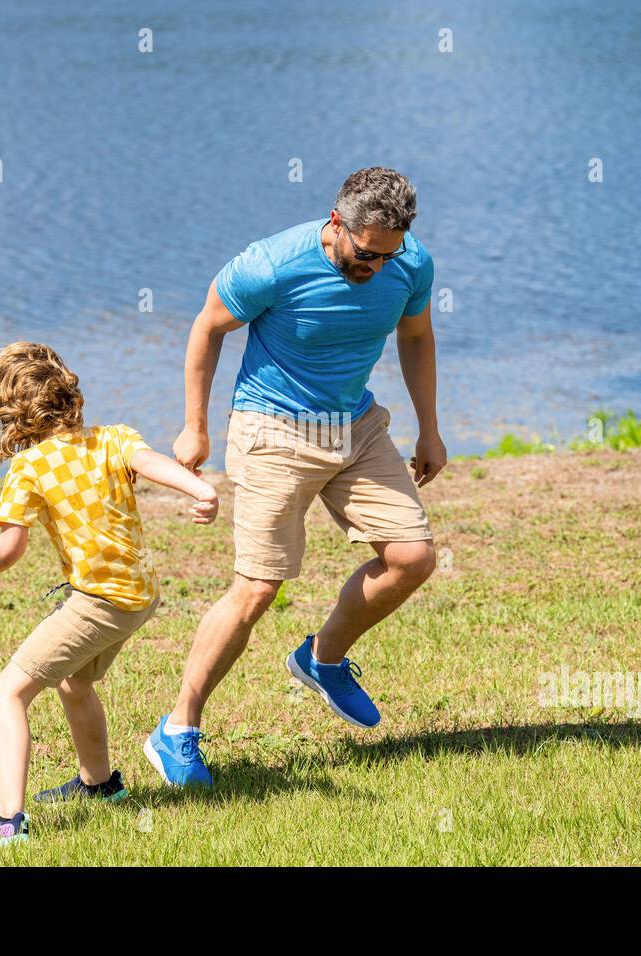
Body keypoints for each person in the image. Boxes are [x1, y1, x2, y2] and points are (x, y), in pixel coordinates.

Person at [144, 167, 445, 788]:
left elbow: (416, 337)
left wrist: (430, 427)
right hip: (273, 427)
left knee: (413, 557)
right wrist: (194, 427)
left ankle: (322, 658)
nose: (378, 268)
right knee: (257, 588)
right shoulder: (272, 264)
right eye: (367, 254)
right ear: (337, 225)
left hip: (355, 424)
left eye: (390, 255)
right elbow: (206, 327)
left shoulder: (409, 264)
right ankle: (177, 730)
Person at [0, 341, 218, 842]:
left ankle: (6, 820)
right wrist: (199, 489)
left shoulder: (30, 467)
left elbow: (10, 547)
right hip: (139, 595)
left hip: (99, 601)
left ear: (11, 412)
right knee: (75, 683)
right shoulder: (111, 439)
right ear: (68, 395)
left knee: (8, 690)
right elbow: (151, 462)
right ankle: (98, 784)